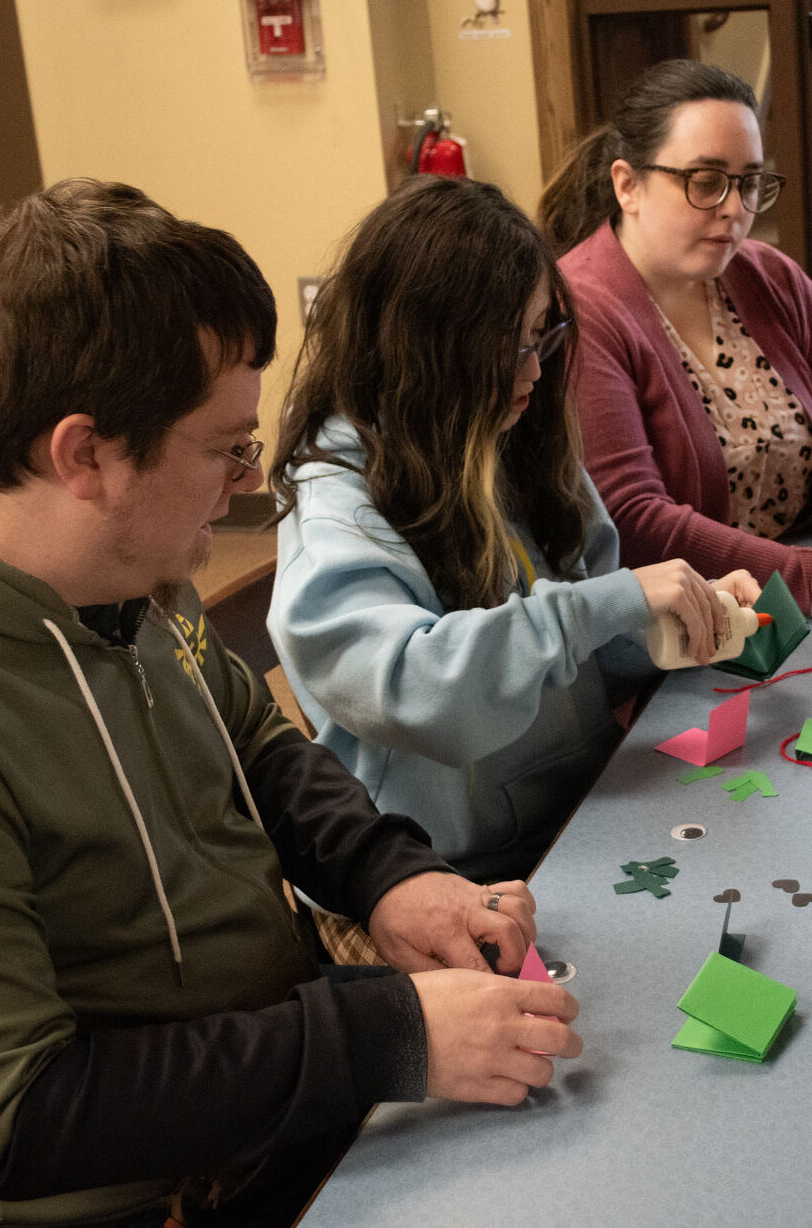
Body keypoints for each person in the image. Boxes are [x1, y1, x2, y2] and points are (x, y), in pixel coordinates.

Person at [0, 179, 581, 1228]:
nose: (247, 479)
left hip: (263, 1096)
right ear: (83, 454)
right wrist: (382, 1036)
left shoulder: (105, 567)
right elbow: (19, 1116)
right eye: (225, 448)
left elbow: (254, 741)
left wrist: (387, 876)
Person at [268, 176, 756, 883]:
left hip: (581, 812)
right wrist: (614, 600)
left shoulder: (515, 431)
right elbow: (418, 689)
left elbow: (585, 653)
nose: (534, 370)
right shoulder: (336, 497)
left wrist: (680, 620)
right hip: (458, 871)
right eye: (508, 345)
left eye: (541, 335)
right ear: (427, 349)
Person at [542, 59, 812, 629]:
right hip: (681, 633)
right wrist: (801, 580)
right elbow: (633, 523)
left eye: (749, 182)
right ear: (627, 185)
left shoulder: (769, 275)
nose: (735, 209)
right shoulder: (585, 310)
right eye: (706, 181)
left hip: (808, 591)